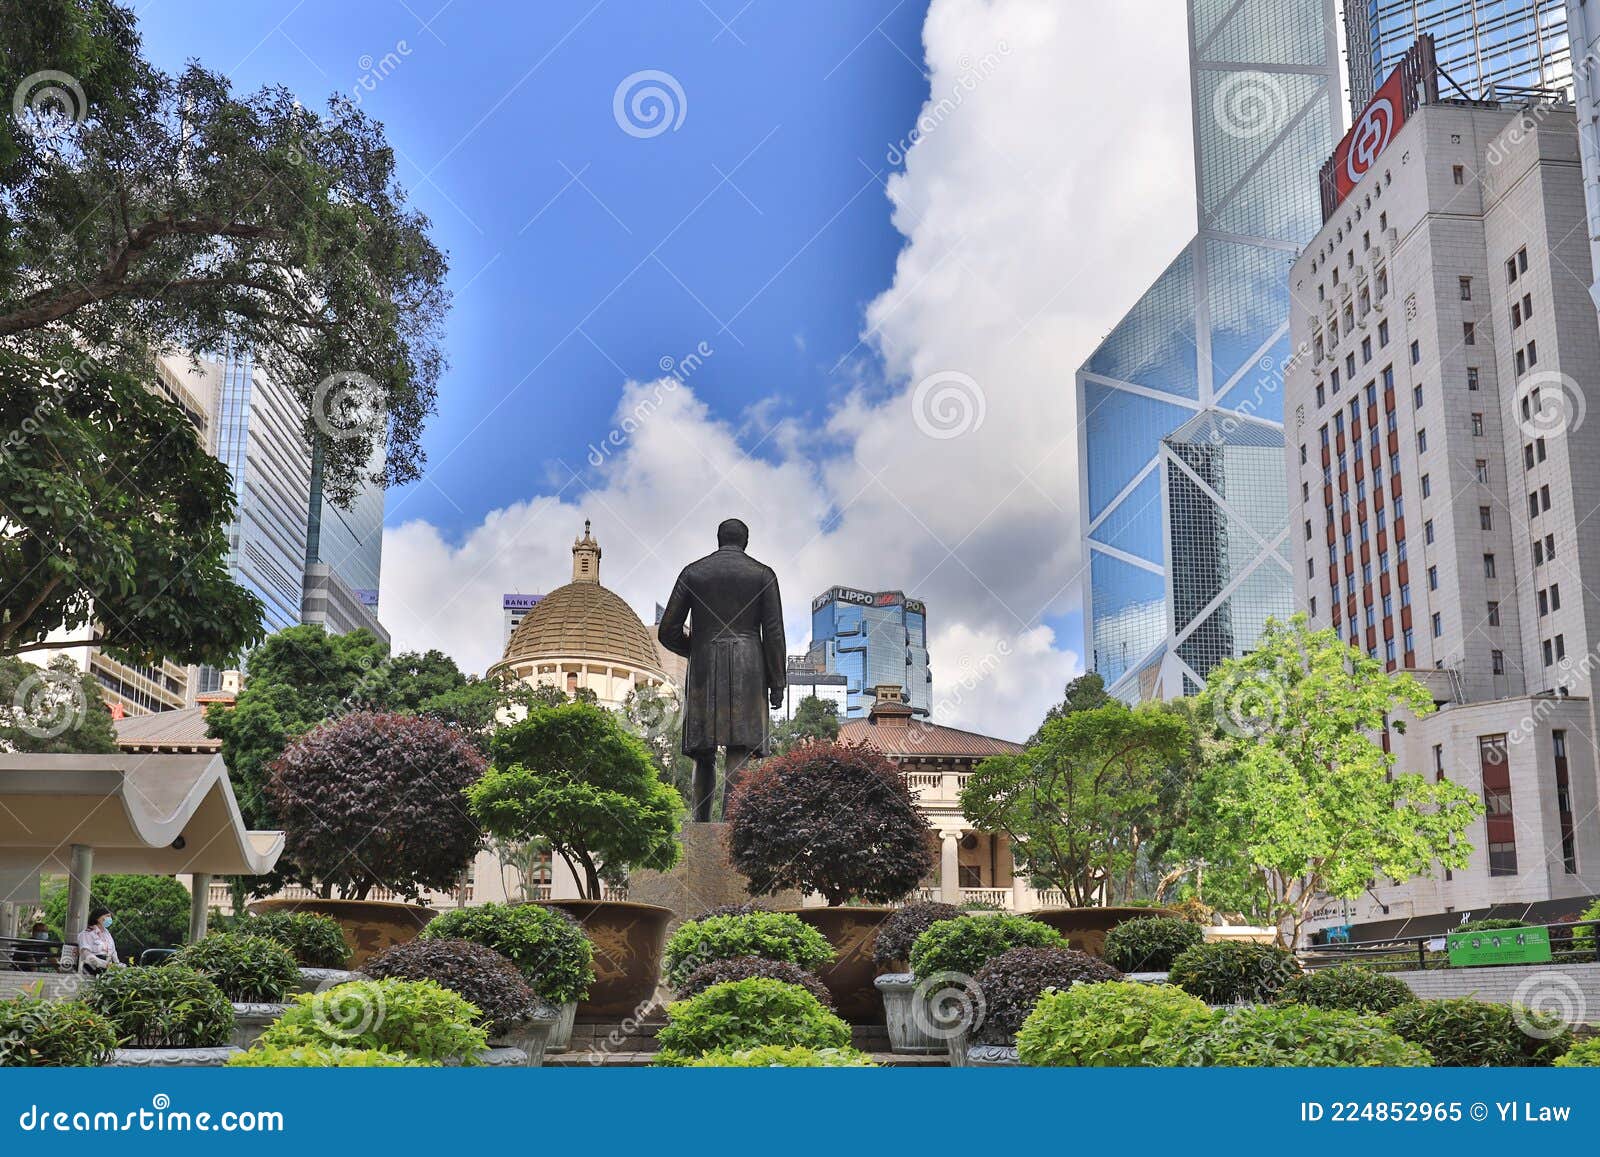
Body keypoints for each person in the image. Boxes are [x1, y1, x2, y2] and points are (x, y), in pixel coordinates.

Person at [658, 518, 786, 822]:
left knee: (703, 753)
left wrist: (697, 648)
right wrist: (777, 682)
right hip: (749, 669)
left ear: (718, 540)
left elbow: (668, 631)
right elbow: (774, 633)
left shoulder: (693, 573)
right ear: (745, 542)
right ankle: (730, 828)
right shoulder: (762, 574)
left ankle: (700, 829)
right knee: (739, 748)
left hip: (704, 666)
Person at [77, 907, 120, 974]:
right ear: (97, 918)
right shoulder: (86, 934)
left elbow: (113, 952)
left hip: (109, 970)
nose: (109, 919)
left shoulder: (107, 934)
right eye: (107, 916)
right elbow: (87, 955)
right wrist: (105, 964)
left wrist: (117, 965)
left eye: (110, 917)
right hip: (92, 969)